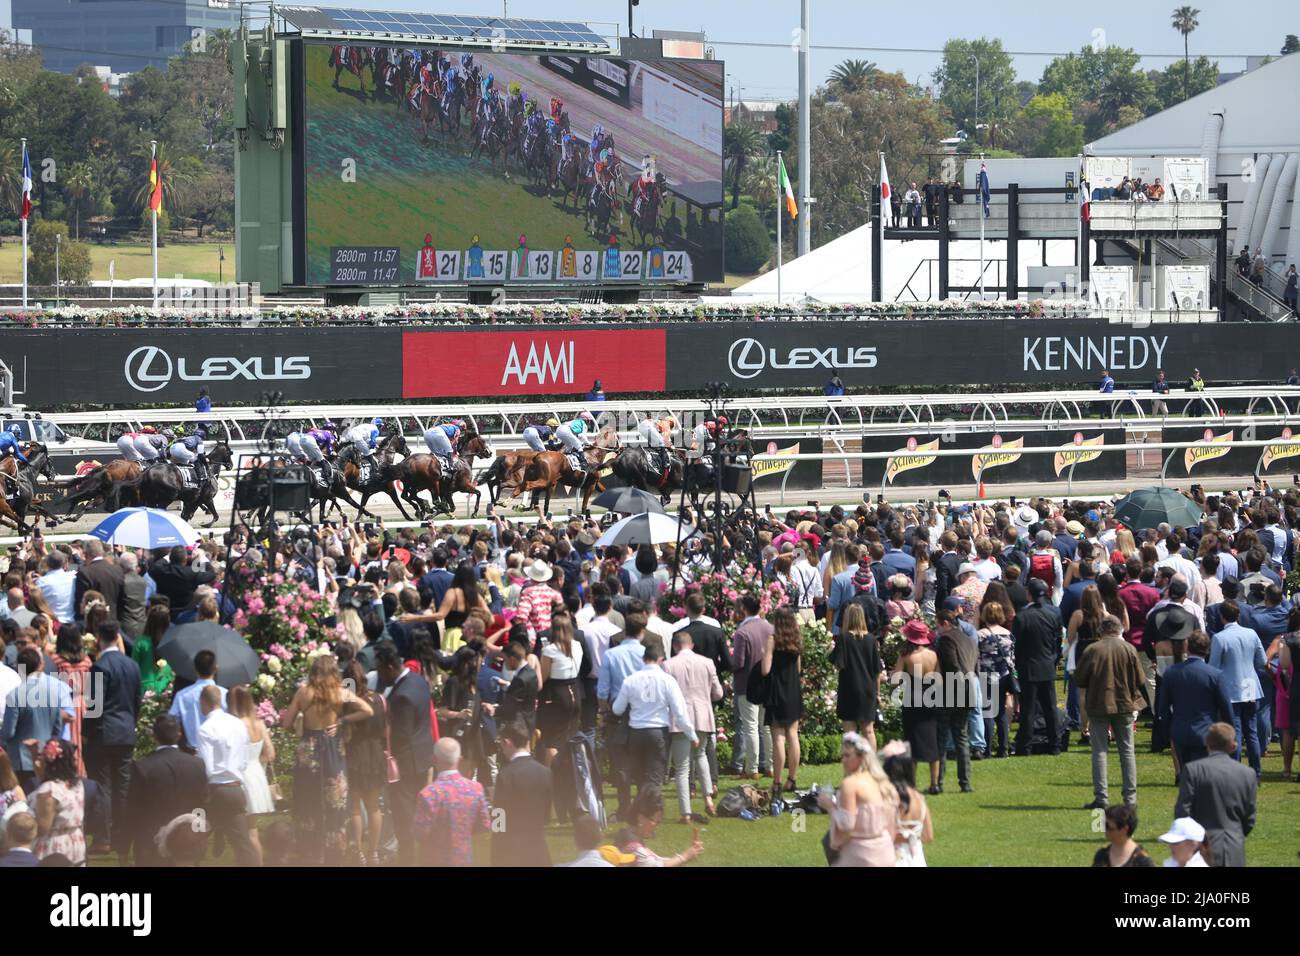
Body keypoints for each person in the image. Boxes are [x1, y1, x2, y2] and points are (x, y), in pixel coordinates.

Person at [281, 654, 373, 864]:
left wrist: (300, 725)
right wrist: (342, 720)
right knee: (335, 797)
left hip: (309, 748)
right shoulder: (340, 692)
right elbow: (367, 710)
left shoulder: (303, 692)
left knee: (308, 796)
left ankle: (311, 848)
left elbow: (286, 724)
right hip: (332, 747)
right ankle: (336, 847)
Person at [1074, 615, 1150, 809]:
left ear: (1102, 630)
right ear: (1118, 630)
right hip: (1125, 704)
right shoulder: (1129, 649)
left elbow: (1080, 679)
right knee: (1127, 751)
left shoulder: (1093, 650)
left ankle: (1101, 798)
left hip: (1099, 704)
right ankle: (1130, 799)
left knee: (1099, 751)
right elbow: (1141, 680)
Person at [84, 620, 141, 861]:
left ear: (99, 638)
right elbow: (137, 700)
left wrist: (86, 732)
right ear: (117, 636)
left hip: (103, 734)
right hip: (125, 732)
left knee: (104, 786)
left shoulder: (99, 667)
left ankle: (104, 837)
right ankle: (123, 834)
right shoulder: (132, 665)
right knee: (123, 786)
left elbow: (94, 707)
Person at [612, 638, 696, 801]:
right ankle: (650, 811)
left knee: (639, 775)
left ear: (644, 659)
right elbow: (679, 712)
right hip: (658, 731)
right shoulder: (667, 680)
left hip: (636, 732)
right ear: (661, 660)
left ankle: (639, 811)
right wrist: (691, 734)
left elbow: (617, 709)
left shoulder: (630, 680)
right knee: (655, 776)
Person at [375, 642, 434, 866]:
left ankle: (409, 859)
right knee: (420, 814)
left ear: (390, 667)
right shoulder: (418, 681)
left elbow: (400, 735)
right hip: (422, 757)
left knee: (404, 817)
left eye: (381, 670)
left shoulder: (401, 696)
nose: (380, 675)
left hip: (405, 764)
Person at [122, 715, 207, 867]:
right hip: (188, 840)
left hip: (151, 843)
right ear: (179, 734)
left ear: (154, 736)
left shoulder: (143, 767)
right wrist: (199, 834)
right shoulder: (197, 764)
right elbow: (202, 803)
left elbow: (132, 810)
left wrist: (124, 846)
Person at [1174, 722, 1257, 866]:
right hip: (1234, 847)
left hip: (1201, 847)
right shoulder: (1248, 774)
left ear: (1206, 742)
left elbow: (1182, 811)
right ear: (1233, 746)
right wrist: (1236, 834)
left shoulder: (1193, 770)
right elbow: (1249, 817)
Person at [663, 626, 722, 821]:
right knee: (701, 755)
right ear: (692, 645)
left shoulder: (669, 665)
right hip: (703, 715)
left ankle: (686, 812)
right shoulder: (707, 662)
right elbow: (718, 693)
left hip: (680, 719)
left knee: (682, 767)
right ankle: (708, 800)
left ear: (675, 646)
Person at [197, 685, 258, 867]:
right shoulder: (237, 723)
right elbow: (245, 758)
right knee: (243, 843)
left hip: (216, 790)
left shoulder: (206, 728)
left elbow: (206, 766)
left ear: (204, 702)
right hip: (236, 788)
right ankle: (220, 832)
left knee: (195, 835)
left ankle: (218, 832)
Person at [816, 732, 898, 867]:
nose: (843, 760)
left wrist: (830, 806)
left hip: (861, 855)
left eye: (847, 755)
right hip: (885, 851)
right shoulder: (879, 781)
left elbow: (847, 824)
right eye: (843, 755)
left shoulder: (850, 784)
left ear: (861, 757)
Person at [1157, 627, 1232, 768]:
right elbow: (1226, 708)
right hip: (1206, 734)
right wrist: (1229, 732)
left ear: (1187, 647)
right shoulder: (1215, 675)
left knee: (1188, 776)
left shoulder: (1171, 673)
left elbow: (1163, 708)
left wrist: (1168, 731)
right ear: (1208, 650)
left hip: (1180, 732)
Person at [3, 646, 73, 793]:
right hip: (46, 758)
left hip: (21, 761)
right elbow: (57, 729)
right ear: (40, 665)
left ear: (18, 667)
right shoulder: (53, 693)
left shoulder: (14, 695)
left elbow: (8, 733)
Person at [412, 737, 490, 867]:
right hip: (464, 859)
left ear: (434, 759)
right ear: (459, 759)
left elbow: (419, 833)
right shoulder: (475, 789)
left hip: (434, 861)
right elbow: (484, 825)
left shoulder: (428, 794)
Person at [1208, 600, 1265, 776]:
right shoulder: (1251, 633)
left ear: (1222, 617)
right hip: (1251, 686)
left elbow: (1214, 667)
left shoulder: (1219, 638)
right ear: (1238, 615)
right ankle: (1256, 771)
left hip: (1231, 689)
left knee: (1236, 732)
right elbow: (1262, 661)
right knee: (1252, 732)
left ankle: (1235, 770)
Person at [1012, 578, 1063, 757]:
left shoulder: (1021, 616)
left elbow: (1016, 645)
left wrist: (1018, 665)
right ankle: (1055, 744)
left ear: (1029, 594)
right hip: (1047, 664)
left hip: (1028, 666)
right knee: (1050, 707)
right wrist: (1054, 659)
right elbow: (1057, 642)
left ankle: (1025, 745)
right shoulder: (1054, 613)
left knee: (1028, 709)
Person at [491, 720, 553, 867]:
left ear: (507, 742)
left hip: (512, 851)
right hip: (538, 850)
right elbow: (546, 816)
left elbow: (498, 820)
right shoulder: (545, 772)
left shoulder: (505, 775)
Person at [891, 619, 941, 791]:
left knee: (911, 742)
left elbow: (895, 680)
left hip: (913, 701)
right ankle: (934, 783)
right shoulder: (933, 655)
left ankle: (911, 783)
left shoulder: (906, 656)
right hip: (931, 699)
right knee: (932, 741)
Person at [933, 608, 977, 793]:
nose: (937, 630)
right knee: (961, 736)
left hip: (953, 689)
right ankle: (965, 783)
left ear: (945, 623)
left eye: (937, 625)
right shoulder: (968, 639)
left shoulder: (946, 640)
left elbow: (952, 665)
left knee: (942, 737)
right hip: (970, 687)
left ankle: (938, 782)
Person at [731, 593, 773, 778]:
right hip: (768, 682)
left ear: (744, 609)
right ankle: (769, 765)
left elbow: (738, 663)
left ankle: (752, 768)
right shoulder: (769, 627)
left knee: (750, 726)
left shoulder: (743, 632)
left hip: (747, 684)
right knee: (765, 726)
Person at [832, 603, 884, 746]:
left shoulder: (843, 639)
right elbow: (877, 670)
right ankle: (870, 763)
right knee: (868, 730)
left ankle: (852, 764)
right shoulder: (871, 640)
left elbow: (839, 665)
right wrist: (878, 693)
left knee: (850, 731)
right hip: (868, 689)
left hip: (849, 688)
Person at [537, 611, 582, 765]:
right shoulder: (577, 646)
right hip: (575, 691)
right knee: (570, 734)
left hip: (558, 694)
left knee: (552, 739)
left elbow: (542, 678)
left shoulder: (550, 650)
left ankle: (551, 776)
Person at [32, 738, 84, 865]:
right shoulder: (76, 784)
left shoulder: (49, 789)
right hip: (75, 840)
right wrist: (33, 754)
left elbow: (43, 826)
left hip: (54, 846)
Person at [881, 740, 931, 866]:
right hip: (916, 858)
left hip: (893, 856)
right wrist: (912, 837)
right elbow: (928, 836)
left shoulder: (889, 798)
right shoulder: (920, 798)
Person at [976, 601, 1016, 758]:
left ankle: (986, 748)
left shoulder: (981, 635)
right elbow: (1012, 656)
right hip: (1005, 676)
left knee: (987, 713)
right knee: (1000, 713)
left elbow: (975, 655)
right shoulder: (1008, 634)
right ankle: (1003, 748)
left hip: (986, 675)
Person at [168, 649, 226, 750]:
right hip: (220, 751)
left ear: (195, 669)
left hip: (192, 753)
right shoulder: (225, 694)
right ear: (216, 668)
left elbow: (172, 721)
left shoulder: (182, 695)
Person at [1091, 804, 1156, 867]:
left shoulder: (1142, 861)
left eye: (1108, 826)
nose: (1104, 829)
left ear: (1125, 829)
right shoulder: (1102, 855)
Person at [74, 539, 123, 621]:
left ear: (85, 554)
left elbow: (80, 602)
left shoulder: (84, 573)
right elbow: (122, 600)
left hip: (93, 623)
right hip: (114, 621)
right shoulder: (117, 570)